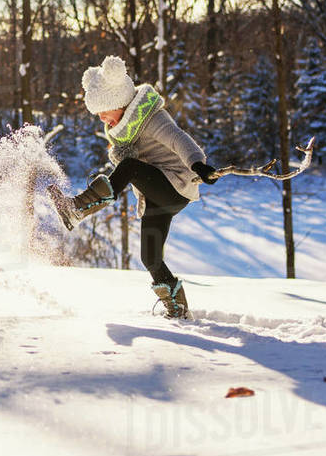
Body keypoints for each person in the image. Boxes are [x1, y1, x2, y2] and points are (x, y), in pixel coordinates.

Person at [49, 55, 219, 318]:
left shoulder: (152, 118)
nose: (103, 119)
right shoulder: (127, 130)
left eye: (104, 111)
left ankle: (78, 209)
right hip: (158, 197)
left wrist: (198, 164)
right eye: (98, 115)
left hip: (175, 184)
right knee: (150, 258)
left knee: (129, 166)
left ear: (119, 101)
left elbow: (178, 139)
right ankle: (178, 309)